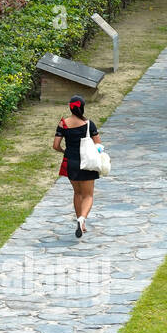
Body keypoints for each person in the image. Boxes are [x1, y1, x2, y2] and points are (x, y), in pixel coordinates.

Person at [52, 95, 101, 238]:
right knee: (88, 195)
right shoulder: (88, 124)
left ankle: (80, 221)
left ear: (70, 107)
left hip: (71, 162)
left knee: (77, 193)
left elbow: (55, 146)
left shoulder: (63, 124)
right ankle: (82, 219)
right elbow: (98, 145)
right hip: (87, 163)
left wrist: (64, 151)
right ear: (83, 107)